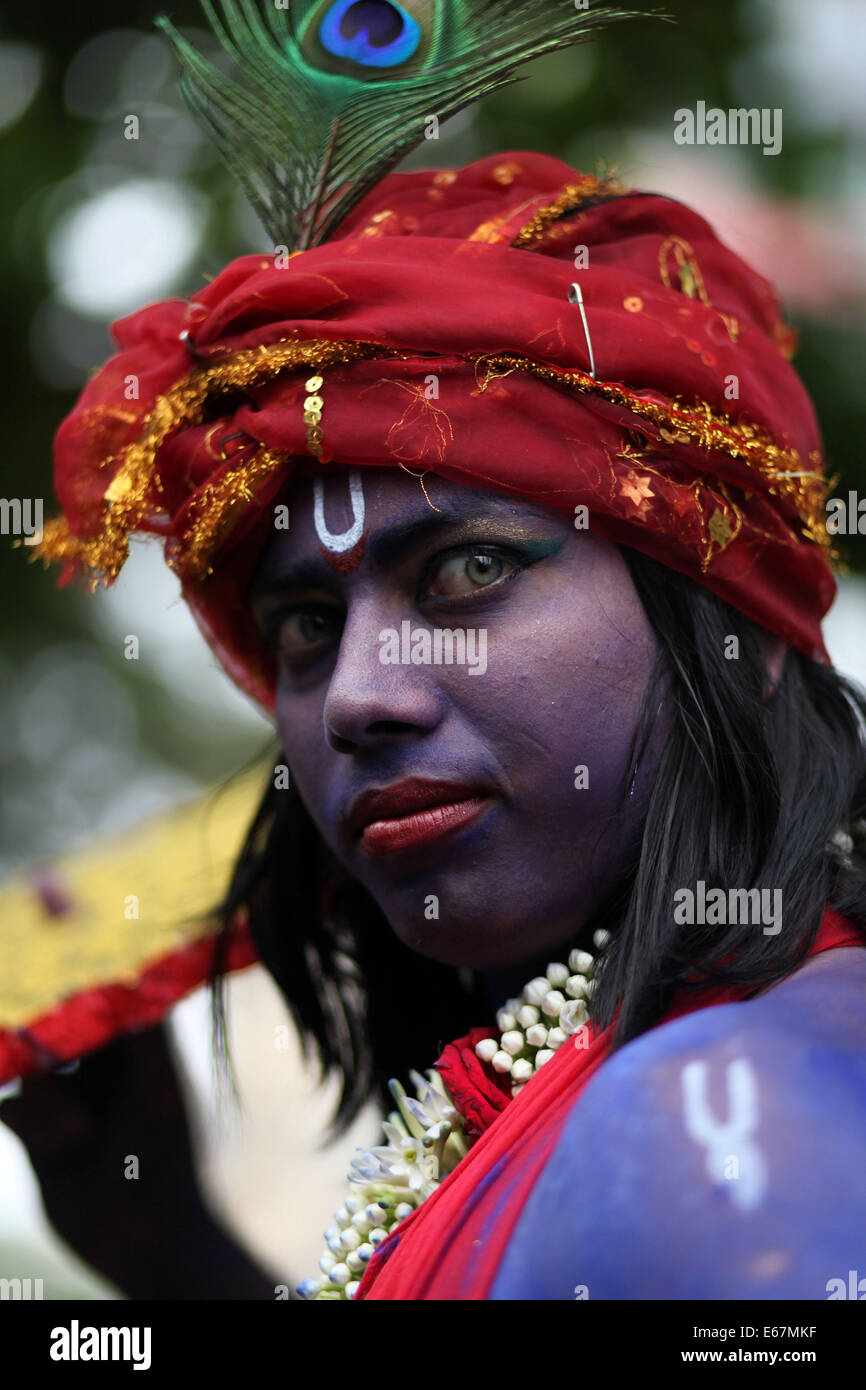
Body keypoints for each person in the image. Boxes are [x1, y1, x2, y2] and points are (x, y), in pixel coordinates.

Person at [11, 0, 866, 1299]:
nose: (353, 695)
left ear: (734, 629)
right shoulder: (596, 1092)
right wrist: (168, 1250)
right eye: (303, 625)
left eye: (469, 570)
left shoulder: (710, 1129)